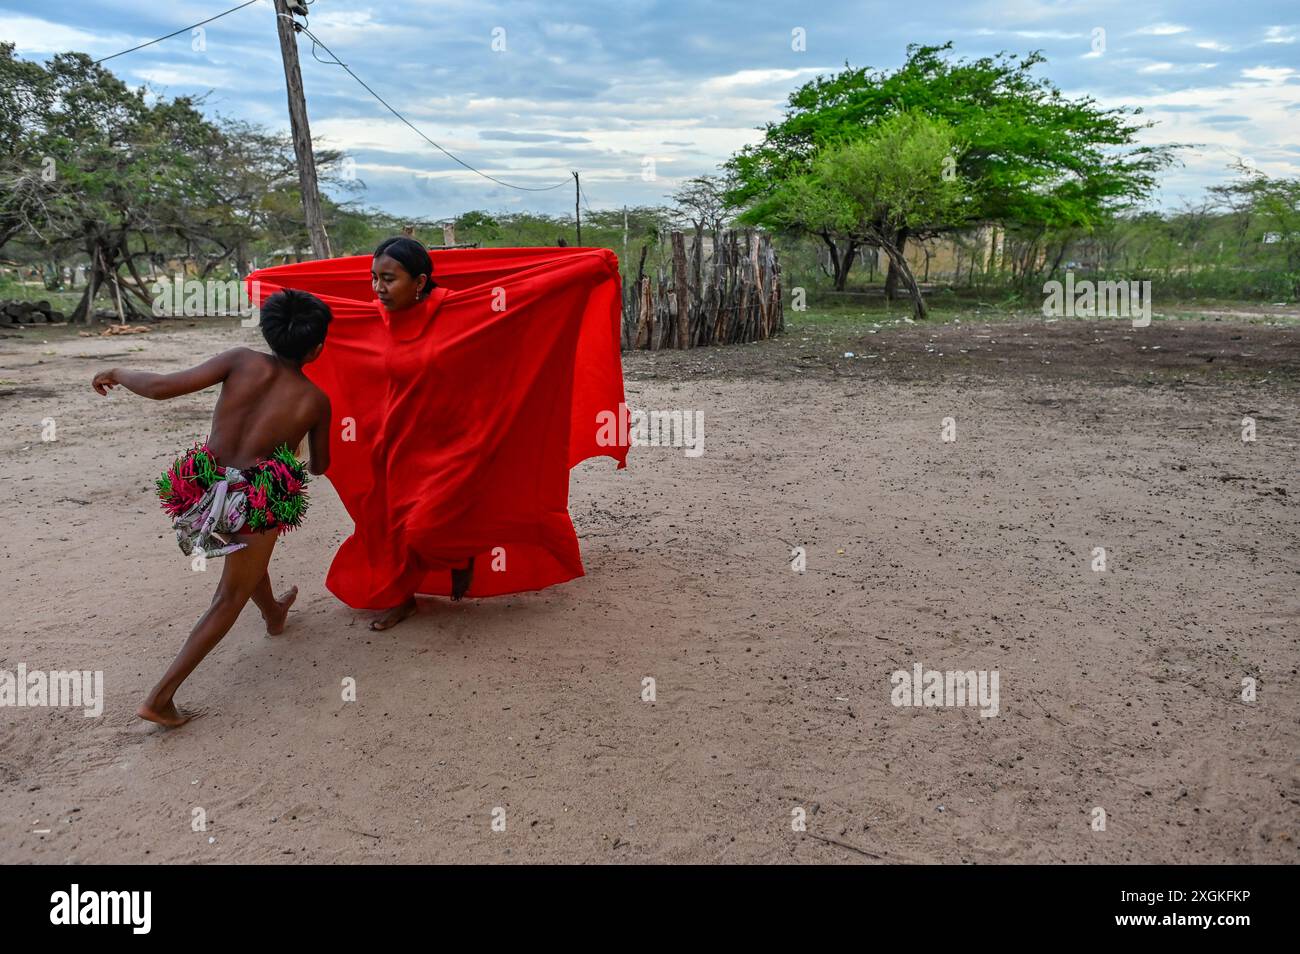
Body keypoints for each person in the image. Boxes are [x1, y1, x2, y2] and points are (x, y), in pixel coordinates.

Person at [91, 289, 333, 727]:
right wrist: (290, 449)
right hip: (256, 500)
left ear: (267, 332)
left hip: (200, 488)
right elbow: (319, 467)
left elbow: (164, 388)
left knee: (247, 561)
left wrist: (118, 371)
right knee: (228, 597)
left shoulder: (240, 360)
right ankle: (160, 699)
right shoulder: (315, 401)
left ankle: (275, 613)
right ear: (317, 348)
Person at [369, 237, 474, 631]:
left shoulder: (453, 312)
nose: (379, 288)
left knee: (426, 526)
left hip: (449, 441)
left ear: (419, 282)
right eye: (374, 278)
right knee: (393, 528)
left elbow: (517, 309)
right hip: (396, 442)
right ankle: (403, 598)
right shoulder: (377, 317)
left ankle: (461, 555)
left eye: (389, 279)